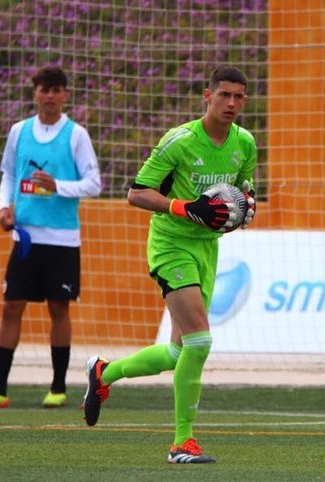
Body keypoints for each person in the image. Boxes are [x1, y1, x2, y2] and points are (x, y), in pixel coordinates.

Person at [82, 65, 257, 464]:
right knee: (201, 340)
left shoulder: (245, 143)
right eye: (224, 95)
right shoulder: (179, 141)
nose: (231, 103)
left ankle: (103, 374)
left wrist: (244, 209)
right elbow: (136, 193)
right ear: (206, 96)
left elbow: (244, 189)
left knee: (180, 353)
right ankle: (182, 442)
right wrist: (186, 208)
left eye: (239, 97)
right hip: (171, 245)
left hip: (207, 249)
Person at [0, 66, 101, 409]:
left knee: (59, 308)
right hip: (24, 238)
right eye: (44, 89)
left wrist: (58, 187)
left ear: (65, 94)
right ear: (35, 93)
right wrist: (2, 208)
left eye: (56, 90)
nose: (49, 96)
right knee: (11, 307)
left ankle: (57, 388)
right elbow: (9, 175)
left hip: (62, 240)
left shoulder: (76, 135)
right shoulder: (18, 131)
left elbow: (94, 184)